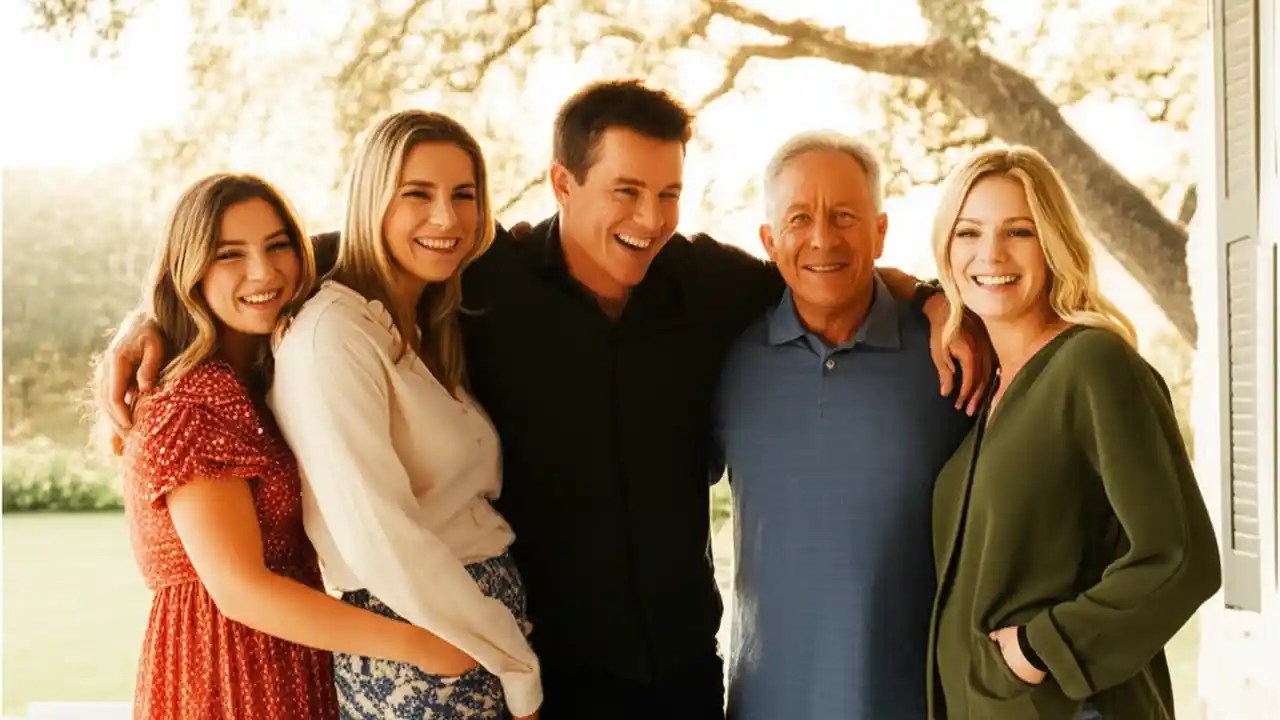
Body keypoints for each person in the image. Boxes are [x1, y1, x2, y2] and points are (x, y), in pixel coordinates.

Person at [100, 79, 986, 719]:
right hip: (530, 664)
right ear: (563, 185)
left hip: (678, 670)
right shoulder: (484, 277)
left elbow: (822, 267)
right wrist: (159, 317)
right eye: (626, 191)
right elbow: (323, 252)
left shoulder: (710, 287)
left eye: (669, 192)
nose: (651, 217)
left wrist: (940, 299)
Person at [111, 173, 495, 719]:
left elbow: (372, 244)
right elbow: (241, 590)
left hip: (293, 655)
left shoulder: (267, 372)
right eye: (230, 254)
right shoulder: (193, 403)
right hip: (229, 674)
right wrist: (421, 644)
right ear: (189, 270)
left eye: (278, 245)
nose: (263, 272)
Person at [925, 146, 1221, 720]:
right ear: (946, 247)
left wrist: (1040, 648)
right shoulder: (990, 387)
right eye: (968, 233)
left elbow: (1181, 557)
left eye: (1019, 231)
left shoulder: (1094, 364)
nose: (991, 253)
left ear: (1054, 242)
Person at [268, 110, 541, 719]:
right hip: (428, 652)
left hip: (475, 635)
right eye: (417, 194)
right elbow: (379, 537)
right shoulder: (330, 338)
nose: (447, 218)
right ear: (372, 201)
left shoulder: (416, 323)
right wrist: (516, 668)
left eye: (463, 195)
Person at [712, 131, 976, 720]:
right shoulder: (726, 360)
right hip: (766, 703)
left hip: (918, 704)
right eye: (799, 218)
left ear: (881, 232)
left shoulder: (953, 357)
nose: (822, 238)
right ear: (768, 240)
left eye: (845, 216)